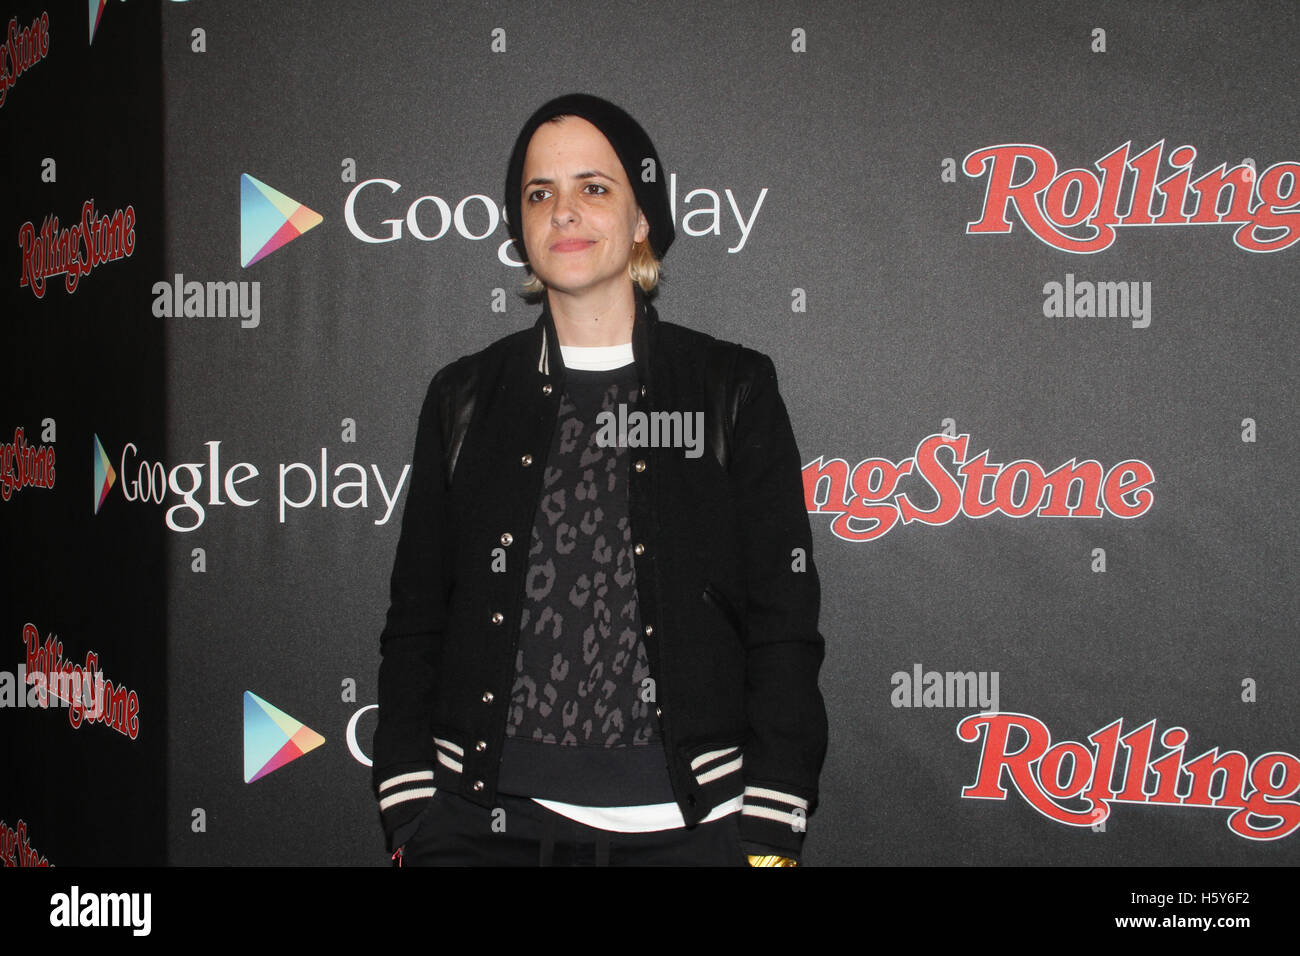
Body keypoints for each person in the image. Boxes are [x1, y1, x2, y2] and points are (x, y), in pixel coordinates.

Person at [371, 93, 827, 866]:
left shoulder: (730, 387)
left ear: (643, 218)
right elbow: (418, 615)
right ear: (520, 228)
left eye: (595, 187)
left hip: (692, 832)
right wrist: (411, 805)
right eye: (539, 194)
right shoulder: (466, 396)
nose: (564, 212)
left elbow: (783, 620)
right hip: (480, 827)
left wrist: (773, 820)